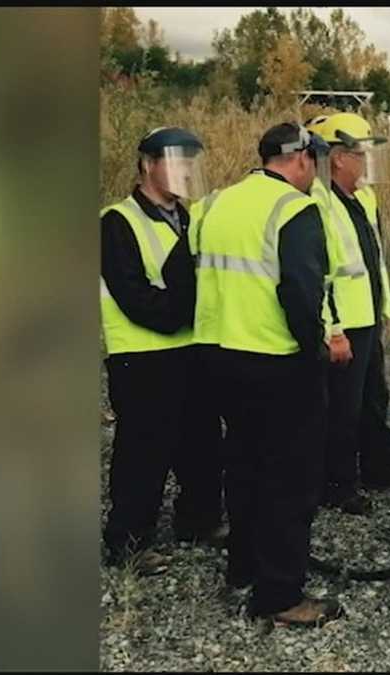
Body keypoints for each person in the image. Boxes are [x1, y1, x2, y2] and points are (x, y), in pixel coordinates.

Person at [193, 122, 343, 626]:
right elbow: (301, 295)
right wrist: (316, 353)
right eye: (313, 163)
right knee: (290, 478)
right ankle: (280, 595)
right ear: (299, 159)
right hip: (277, 362)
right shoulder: (295, 210)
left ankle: (244, 566)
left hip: (219, 355)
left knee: (243, 464)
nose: (313, 174)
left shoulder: (215, 204)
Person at [100, 126, 226, 576]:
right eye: (174, 162)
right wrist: (189, 312)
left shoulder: (191, 219)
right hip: (142, 356)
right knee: (143, 452)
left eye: (190, 163)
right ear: (146, 165)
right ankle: (128, 543)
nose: (184, 171)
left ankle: (200, 521)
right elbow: (134, 295)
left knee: (203, 442)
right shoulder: (117, 222)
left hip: (191, 353)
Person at [305, 113, 390, 516]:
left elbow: (373, 262)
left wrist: (383, 308)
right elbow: (318, 275)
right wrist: (332, 329)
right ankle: (338, 485)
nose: (368, 161)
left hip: (368, 315)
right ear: (336, 157)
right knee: (342, 406)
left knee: (375, 397)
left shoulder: (364, 197)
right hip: (344, 324)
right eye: (360, 152)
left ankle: (379, 469)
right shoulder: (316, 204)